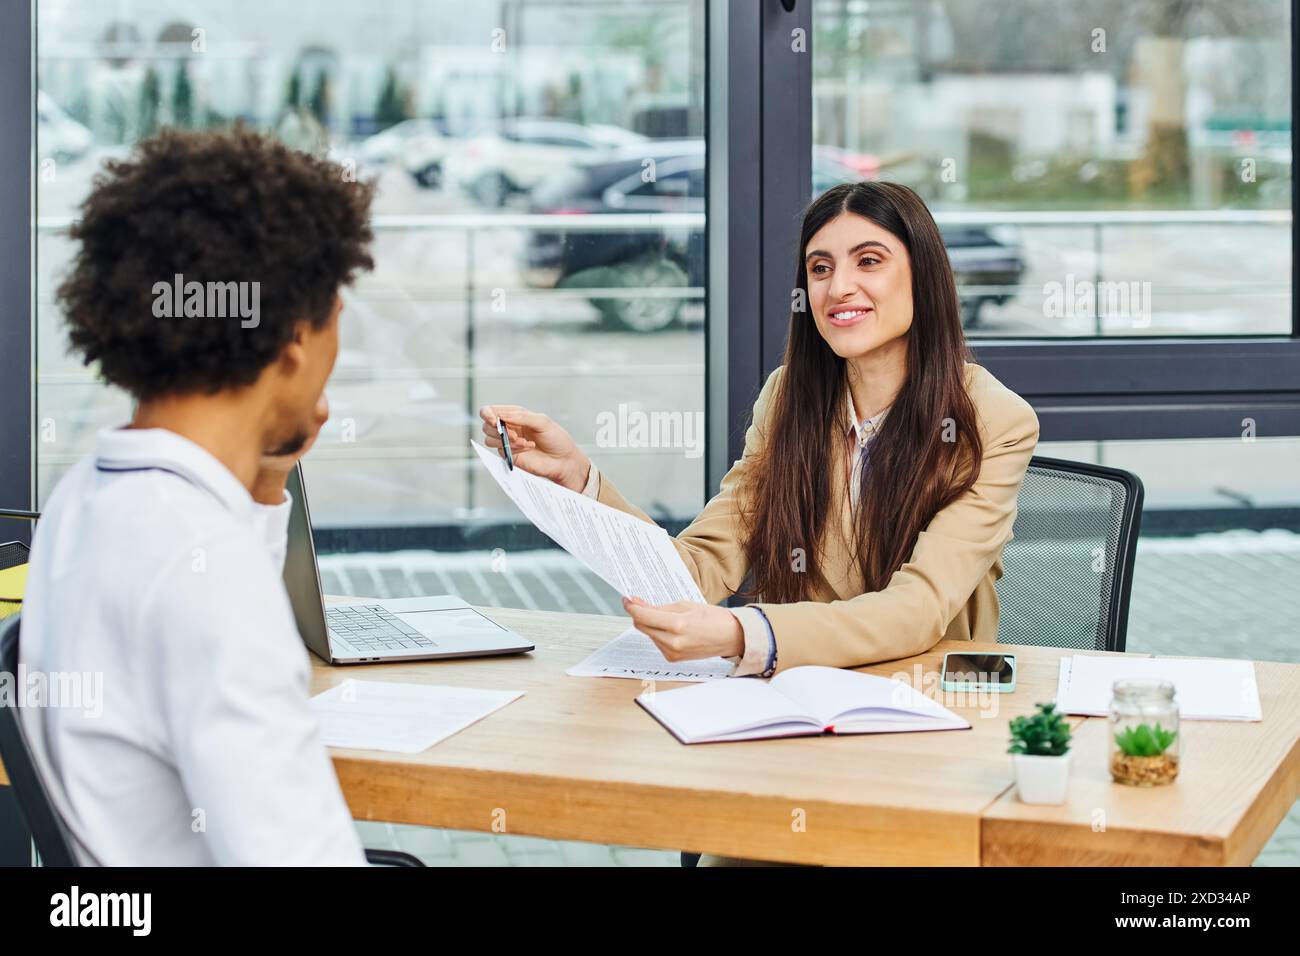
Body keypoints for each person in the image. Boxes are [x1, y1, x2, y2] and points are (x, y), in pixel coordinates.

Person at [481, 180, 1039, 695]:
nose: (839, 287)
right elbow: (697, 570)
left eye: (869, 261)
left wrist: (743, 633)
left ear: (925, 275)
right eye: (819, 269)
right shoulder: (788, 399)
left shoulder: (992, 420)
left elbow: (917, 609)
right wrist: (579, 478)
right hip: (797, 694)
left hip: (934, 698)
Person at [20, 127, 375, 865]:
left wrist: (269, 476)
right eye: (337, 312)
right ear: (294, 341)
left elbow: (202, 588)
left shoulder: (87, 498)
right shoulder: (202, 571)